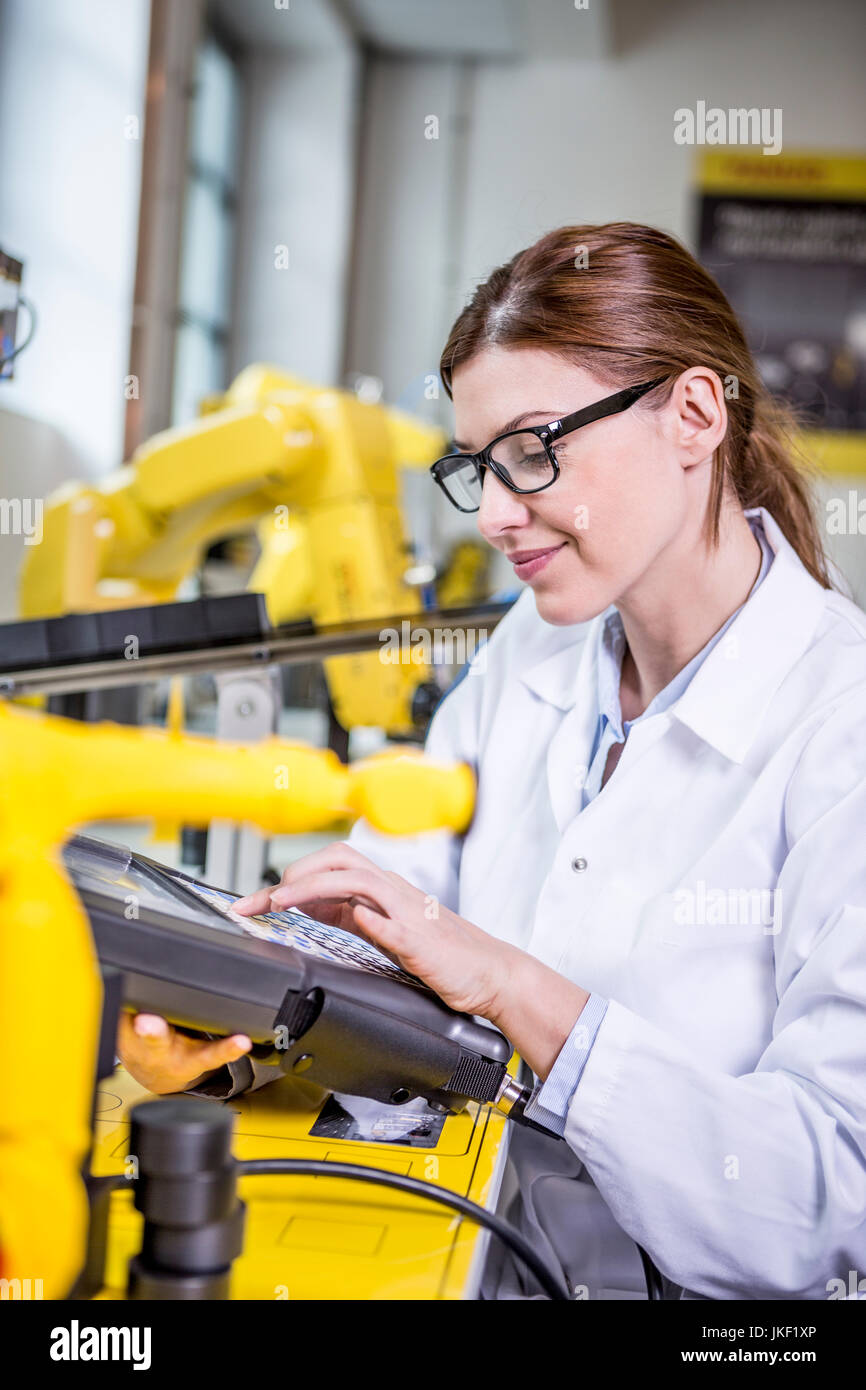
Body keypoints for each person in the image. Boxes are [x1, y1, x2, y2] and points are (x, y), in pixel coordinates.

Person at [118, 222, 866, 1300]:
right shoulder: (539, 641)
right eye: (478, 466)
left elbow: (825, 1198)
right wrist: (249, 1021)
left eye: (533, 450)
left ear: (694, 416)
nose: (497, 515)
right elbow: (392, 915)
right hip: (473, 1236)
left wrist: (516, 990)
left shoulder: (839, 718)